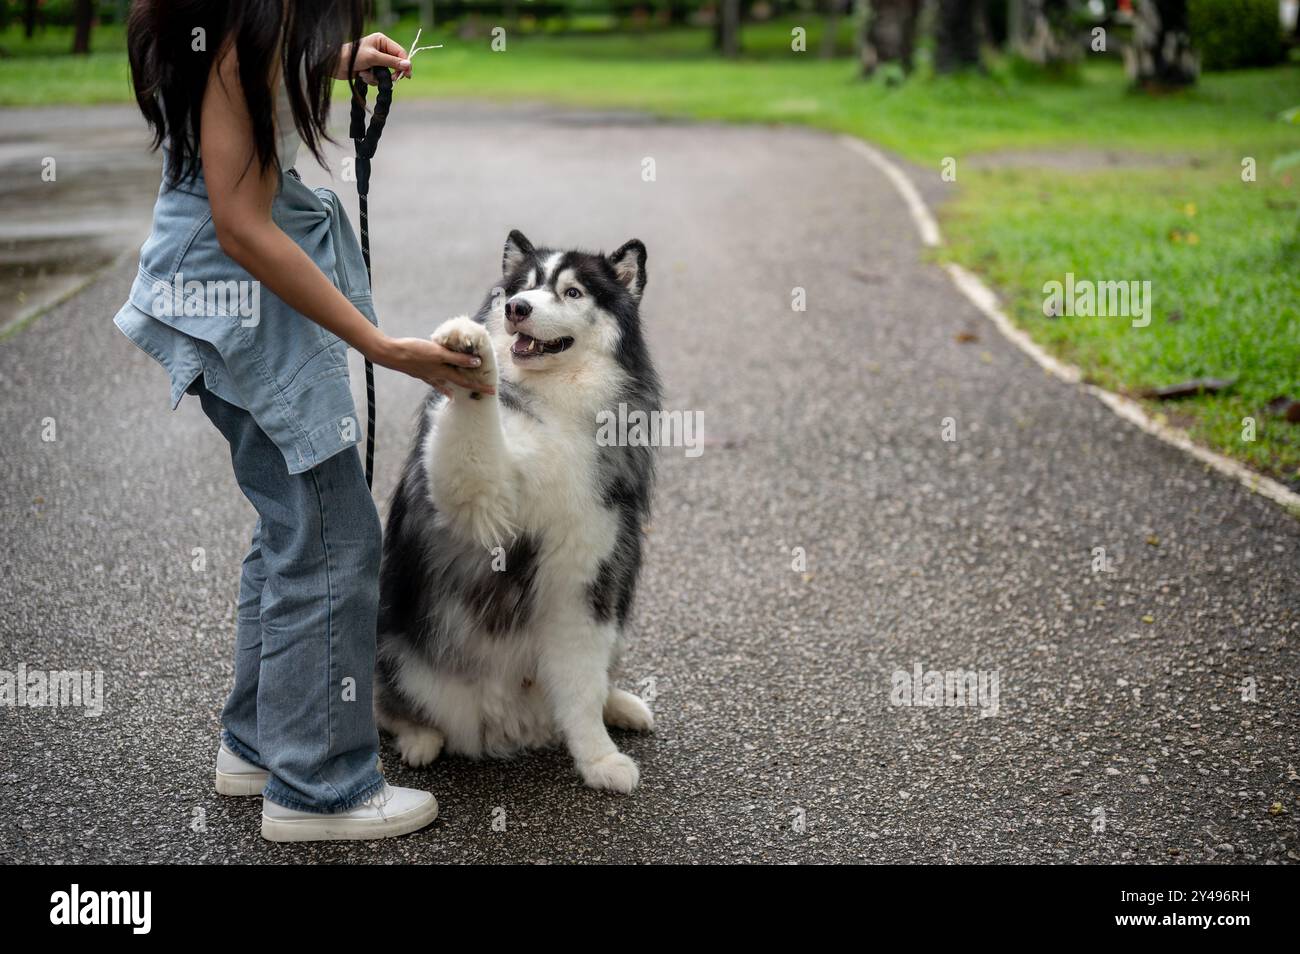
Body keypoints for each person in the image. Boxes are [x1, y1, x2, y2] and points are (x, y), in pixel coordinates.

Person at [116, 0, 486, 841]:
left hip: (228, 282)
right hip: (231, 290)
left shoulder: (247, 16)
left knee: (295, 525)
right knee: (335, 535)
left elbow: (248, 97)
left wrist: (333, 57)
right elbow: (242, 227)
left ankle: (259, 746)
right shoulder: (240, 22)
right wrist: (382, 348)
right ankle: (317, 789)